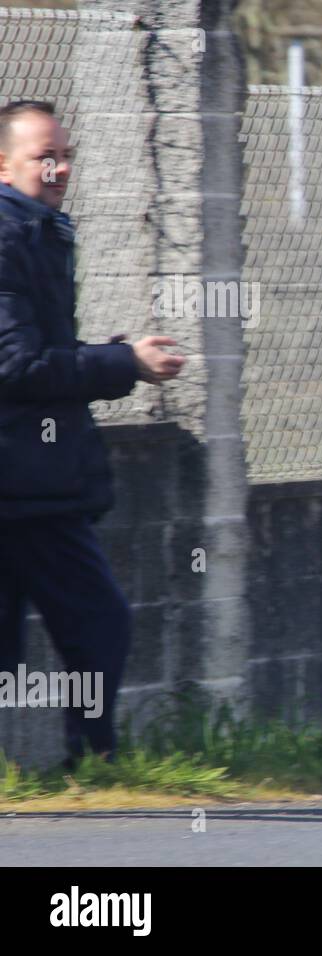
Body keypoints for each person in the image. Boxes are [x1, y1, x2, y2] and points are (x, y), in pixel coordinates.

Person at [0, 100, 184, 768]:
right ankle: (96, 759)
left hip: (29, 479)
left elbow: (31, 352)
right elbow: (15, 367)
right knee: (99, 620)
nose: (60, 168)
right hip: (24, 483)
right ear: (2, 162)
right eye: (44, 156)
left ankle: (87, 763)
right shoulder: (9, 237)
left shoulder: (40, 231)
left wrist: (112, 356)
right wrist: (123, 363)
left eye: (66, 154)